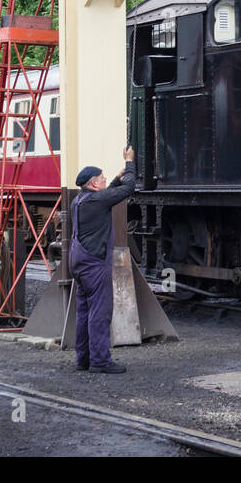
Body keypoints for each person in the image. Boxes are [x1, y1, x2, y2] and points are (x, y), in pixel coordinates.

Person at [69, 146, 137, 373]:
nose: (105, 179)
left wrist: (116, 178)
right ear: (94, 183)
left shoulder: (79, 201)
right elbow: (129, 188)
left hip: (78, 261)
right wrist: (129, 163)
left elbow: (109, 193)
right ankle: (100, 361)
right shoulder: (97, 201)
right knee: (100, 311)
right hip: (93, 263)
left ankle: (84, 360)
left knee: (84, 311)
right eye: (102, 178)